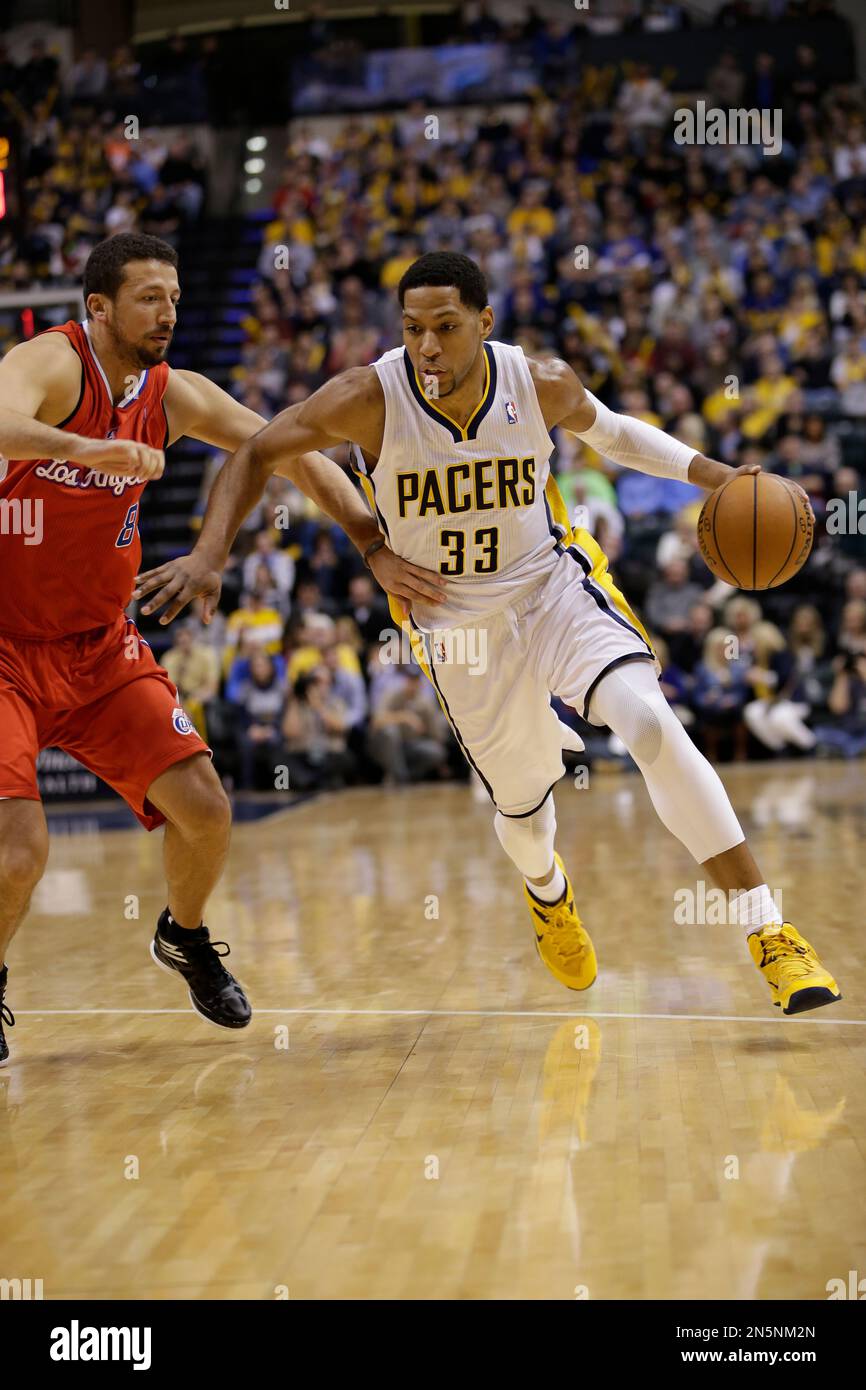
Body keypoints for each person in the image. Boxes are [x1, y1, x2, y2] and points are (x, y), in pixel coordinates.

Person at [138, 251, 841, 1017]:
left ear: (485, 322)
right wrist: (321, 547)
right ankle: (548, 894)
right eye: (412, 329)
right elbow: (258, 451)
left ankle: (769, 932)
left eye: (445, 327)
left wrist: (717, 476)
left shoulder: (538, 383)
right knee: (525, 818)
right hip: (455, 621)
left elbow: (614, 435)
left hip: (550, 585)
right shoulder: (367, 398)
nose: (428, 346)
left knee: (649, 724)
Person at [0, 231, 439, 1064]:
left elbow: (290, 453)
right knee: (19, 852)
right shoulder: (54, 365)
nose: (168, 311)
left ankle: (183, 934)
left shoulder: (176, 395)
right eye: (147, 298)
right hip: (4, 649)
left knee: (205, 810)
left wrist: (368, 543)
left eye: (173, 296)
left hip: (97, 647)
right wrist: (86, 448)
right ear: (99, 308)